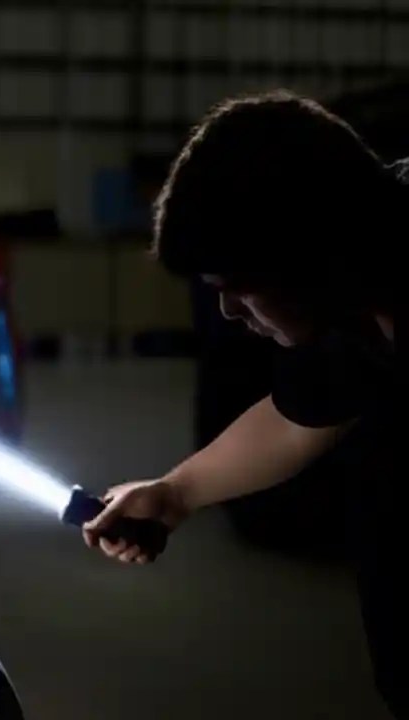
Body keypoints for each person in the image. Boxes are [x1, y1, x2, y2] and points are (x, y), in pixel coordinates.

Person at [82, 90, 400, 715]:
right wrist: (176, 492)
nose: (228, 313)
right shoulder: (359, 292)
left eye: (240, 289)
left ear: (313, 255)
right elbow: (297, 420)